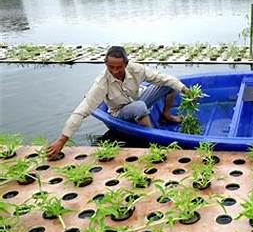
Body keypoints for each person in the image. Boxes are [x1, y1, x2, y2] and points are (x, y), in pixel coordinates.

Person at [47, 46, 189, 158]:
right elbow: (82, 109)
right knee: (139, 107)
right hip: (119, 111)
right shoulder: (102, 82)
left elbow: (161, 77)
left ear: (126, 64)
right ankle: (153, 141)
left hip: (137, 100)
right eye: (111, 67)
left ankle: (166, 114)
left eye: (119, 67)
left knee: (170, 83)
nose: (115, 71)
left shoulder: (136, 69)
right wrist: (62, 140)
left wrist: (185, 90)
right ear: (106, 64)